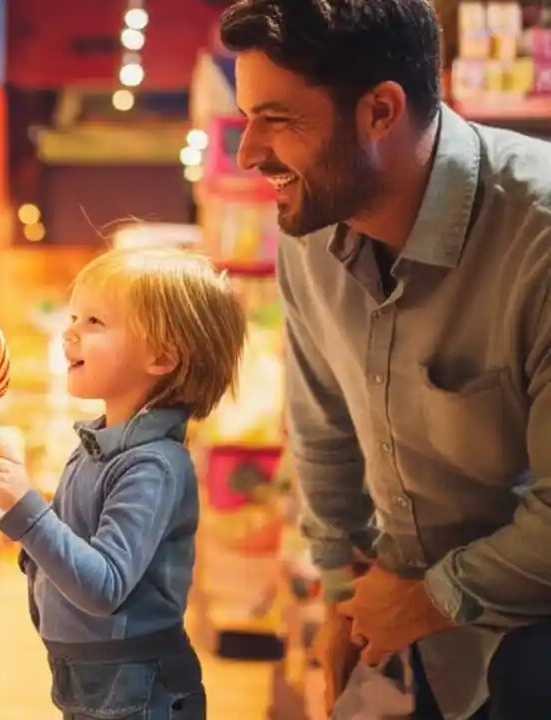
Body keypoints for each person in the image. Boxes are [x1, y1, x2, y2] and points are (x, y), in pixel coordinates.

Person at [218, 1, 551, 718]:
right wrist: (342, 595)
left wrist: (428, 599)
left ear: (379, 111)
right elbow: (324, 430)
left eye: (277, 119)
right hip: (419, 643)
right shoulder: (311, 235)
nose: (248, 153)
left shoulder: (539, 238)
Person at [0, 247, 247, 720]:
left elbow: (103, 586)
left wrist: (26, 509)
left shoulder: (153, 467)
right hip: (89, 675)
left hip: (139, 689)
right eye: (74, 317)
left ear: (162, 355)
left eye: (94, 322)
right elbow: (59, 558)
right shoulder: (91, 448)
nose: (70, 332)